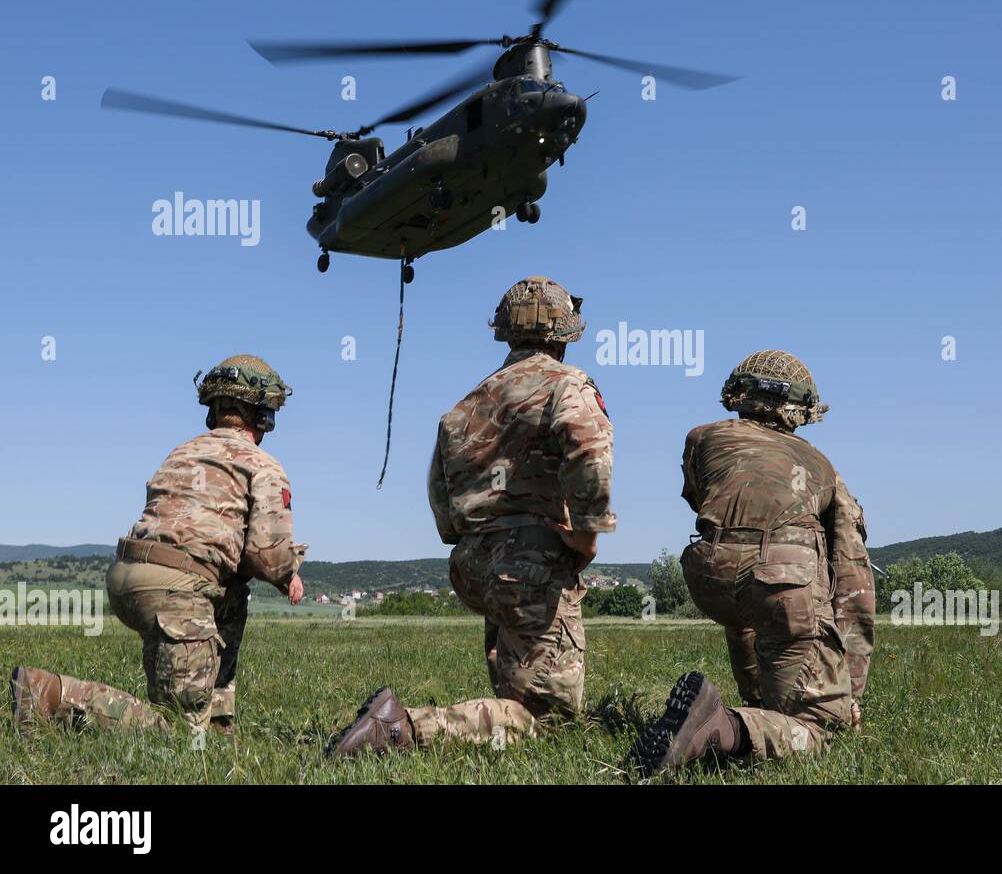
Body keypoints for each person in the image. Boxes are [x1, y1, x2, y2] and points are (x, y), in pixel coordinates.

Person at [327, 276, 615, 757]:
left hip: (476, 562)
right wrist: (587, 535)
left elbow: (438, 486)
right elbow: (590, 451)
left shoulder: (469, 402)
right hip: (532, 561)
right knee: (551, 720)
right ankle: (402, 729)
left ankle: (478, 729)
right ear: (565, 333)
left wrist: (467, 534)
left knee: (517, 695)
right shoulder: (567, 385)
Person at [10, 355, 306, 735]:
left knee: (233, 595)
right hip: (177, 593)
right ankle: (49, 695)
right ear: (261, 414)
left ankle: (215, 723)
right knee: (177, 734)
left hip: (131, 577)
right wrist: (288, 574)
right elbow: (267, 554)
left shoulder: (182, 451)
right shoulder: (262, 464)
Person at [631, 350, 875, 775]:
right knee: (819, 729)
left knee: (748, 594)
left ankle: (757, 703)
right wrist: (849, 690)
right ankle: (722, 725)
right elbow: (852, 575)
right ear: (800, 409)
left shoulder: (701, 438)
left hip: (710, 576)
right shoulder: (820, 465)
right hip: (784, 585)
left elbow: (701, 497)